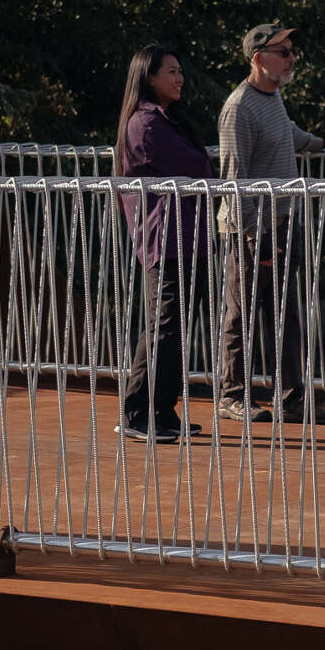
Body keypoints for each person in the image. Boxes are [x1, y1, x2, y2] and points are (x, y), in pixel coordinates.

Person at [217, 23, 325, 427]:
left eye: (291, 50)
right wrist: (257, 238)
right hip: (253, 229)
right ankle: (231, 395)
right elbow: (235, 181)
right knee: (243, 314)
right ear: (258, 58)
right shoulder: (240, 106)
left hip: (283, 221)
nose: (290, 58)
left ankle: (291, 399)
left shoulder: (272, 98)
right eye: (282, 52)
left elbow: (286, 134)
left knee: (286, 315)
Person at [115, 44, 215, 443]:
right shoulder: (145, 123)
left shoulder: (166, 120)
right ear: (149, 77)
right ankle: (139, 412)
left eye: (180, 71)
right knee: (164, 326)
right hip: (166, 238)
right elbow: (194, 165)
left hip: (186, 235)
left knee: (175, 327)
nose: (180, 79)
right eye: (171, 71)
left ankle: (161, 409)